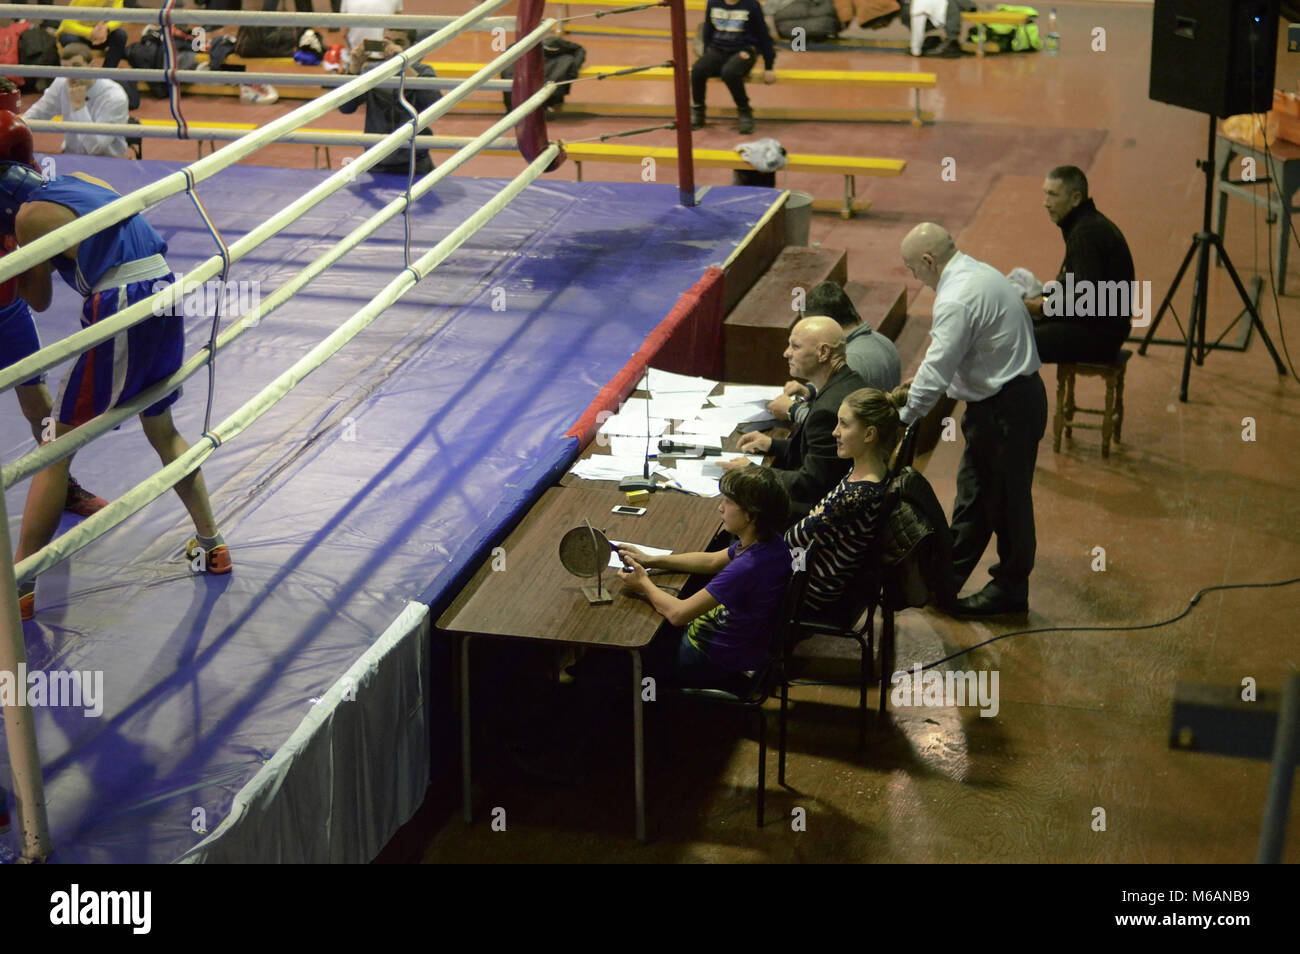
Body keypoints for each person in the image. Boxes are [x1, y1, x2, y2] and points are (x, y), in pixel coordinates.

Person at [0, 148, 230, 619]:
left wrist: (19, 258)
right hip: (165, 287)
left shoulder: (26, 217)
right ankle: (213, 544)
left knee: (55, 448)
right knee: (161, 426)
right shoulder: (82, 178)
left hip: (123, 299)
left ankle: (20, 583)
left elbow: (39, 302)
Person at [898, 222, 1045, 616]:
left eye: (913, 268)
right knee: (978, 498)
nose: (915, 277)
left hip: (1004, 411)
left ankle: (1009, 590)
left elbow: (937, 367)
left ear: (929, 261)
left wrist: (904, 418)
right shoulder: (979, 272)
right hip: (1016, 399)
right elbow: (967, 353)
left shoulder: (956, 298)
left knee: (1003, 502)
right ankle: (946, 580)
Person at [0, 109, 107, 520]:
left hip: (7, 302)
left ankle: (60, 481)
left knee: (37, 399)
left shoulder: (11, 140)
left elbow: (33, 199)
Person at [617, 466, 792, 692]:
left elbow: (678, 614)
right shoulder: (769, 542)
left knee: (625, 651)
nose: (720, 507)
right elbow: (711, 561)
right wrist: (651, 560)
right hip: (736, 644)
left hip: (710, 658)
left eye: (728, 502)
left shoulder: (747, 567)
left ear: (749, 514)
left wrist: (643, 584)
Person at [720, 316, 867, 520]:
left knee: (739, 508)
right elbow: (814, 452)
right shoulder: (847, 382)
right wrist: (771, 444)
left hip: (819, 518)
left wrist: (752, 472)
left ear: (823, 353)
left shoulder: (828, 411)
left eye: (795, 346)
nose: (786, 353)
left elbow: (809, 484)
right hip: (835, 499)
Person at [785, 386, 905, 624]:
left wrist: (816, 512)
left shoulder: (855, 496)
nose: (834, 432)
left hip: (812, 593)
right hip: (823, 577)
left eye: (844, 424)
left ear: (869, 434)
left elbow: (792, 539)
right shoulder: (872, 472)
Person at [1024, 165, 1136, 364]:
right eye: (1045, 194)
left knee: (1014, 340)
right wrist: (1041, 299)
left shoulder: (1085, 234)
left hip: (1101, 335)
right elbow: (1073, 284)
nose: (1045, 203)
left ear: (1075, 198)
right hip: (1098, 324)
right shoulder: (1085, 224)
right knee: (1020, 325)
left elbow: (1087, 298)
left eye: (1052, 195)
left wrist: (1043, 307)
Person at [769, 280, 902, 425]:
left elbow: (833, 426)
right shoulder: (883, 341)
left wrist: (792, 410)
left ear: (825, 325)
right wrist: (811, 390)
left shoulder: (849, 363)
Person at [339, 28, 440, 177]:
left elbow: (434, 105)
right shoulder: (372, 71)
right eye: (388, 42)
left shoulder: (423, 71)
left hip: (415, 162)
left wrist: (403, 63)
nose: (392, 48)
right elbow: (346, 108)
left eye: (399, 43)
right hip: (376, 161)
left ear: (413, 46)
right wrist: (354, 67)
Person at [21, 42, 128, 157]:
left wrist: (79, 107)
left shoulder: (115, 97)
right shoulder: (61, 82)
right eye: (65, 68)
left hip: (108, 162)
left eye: (76, 66)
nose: (71, 74)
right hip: (70, 156)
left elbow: (96, 148)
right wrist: (15, 131)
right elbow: (37, 113)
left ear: (92, 67)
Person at [691, 0, 776, 135]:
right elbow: (708, 31)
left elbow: (763, 36)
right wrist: (706, 56)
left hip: (744, 51)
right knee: (697, 70)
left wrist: (769, 67)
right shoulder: (713, 3)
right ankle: (698, 109)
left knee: (729, 72)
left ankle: (744, 111)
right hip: (718, 49)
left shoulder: (752, 5)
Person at [55, 0, 137, 109]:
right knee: (68, 38)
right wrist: (90, 33)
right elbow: (67, 25)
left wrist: (106, 29)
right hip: (79, 34)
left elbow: (118, 16)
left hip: (101, 34)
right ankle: (83, 82)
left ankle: (106, 79)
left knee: (120, 35)